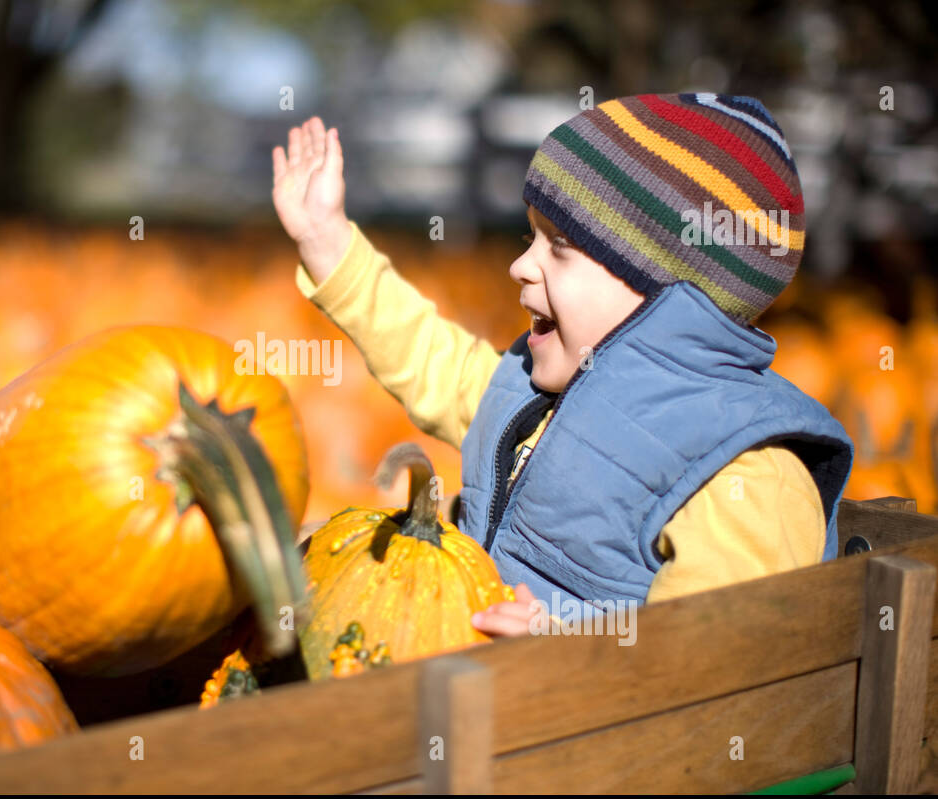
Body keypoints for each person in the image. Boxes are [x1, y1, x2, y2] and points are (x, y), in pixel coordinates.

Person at [272, 95, 854, 635]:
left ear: (668, 291)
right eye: (531, 237)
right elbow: (431, 360)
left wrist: (562, 655)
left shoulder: (746, 473)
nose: (521, 266)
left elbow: (716, 666)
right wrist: (328, 242)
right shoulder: (536, 397)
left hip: (581, 734)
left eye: (559, 247)